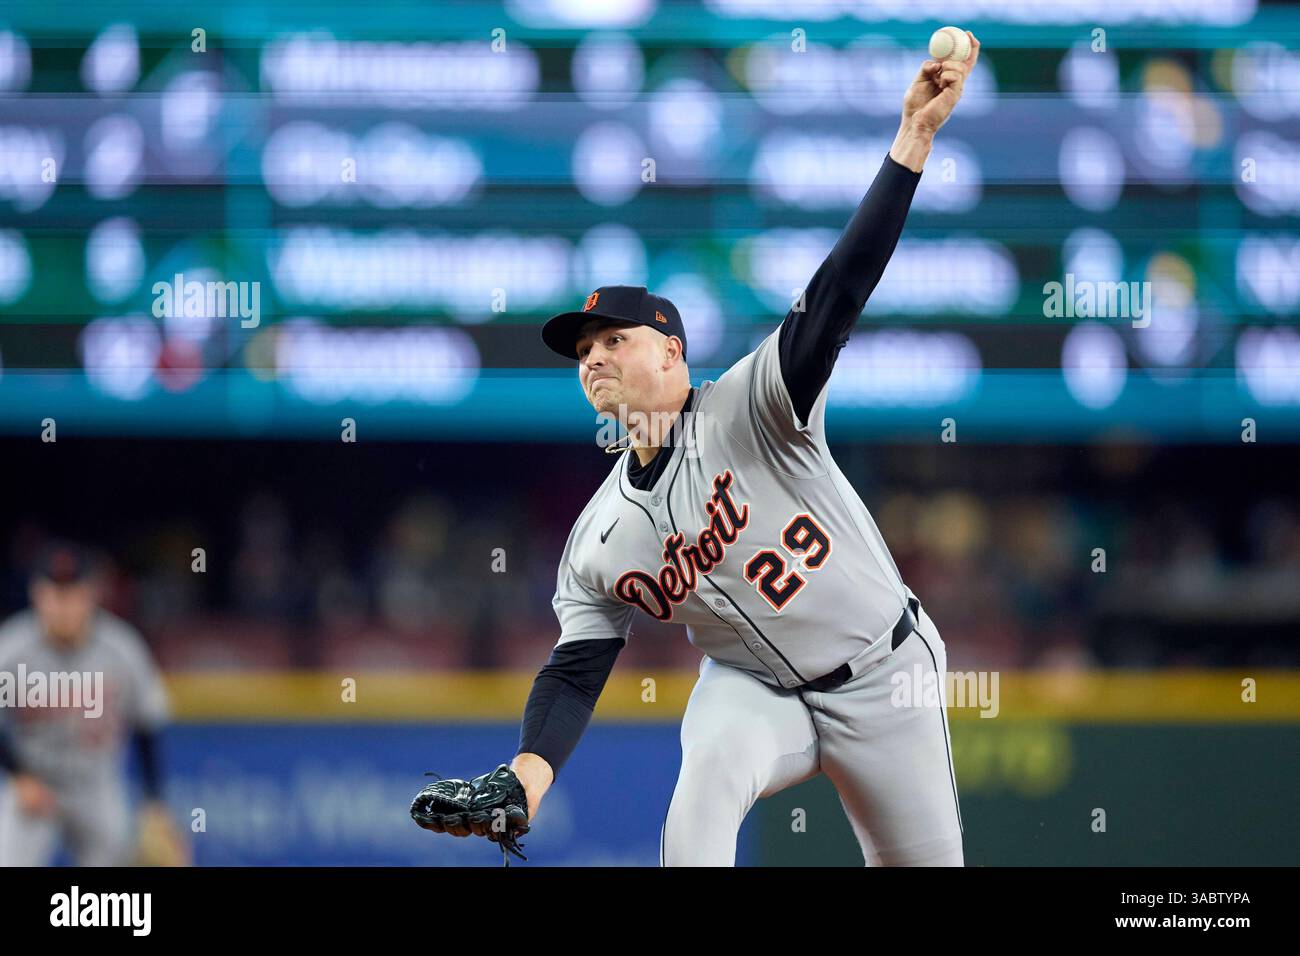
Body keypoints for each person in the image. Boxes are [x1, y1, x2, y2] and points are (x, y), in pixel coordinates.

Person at [0, 541, 187, 866]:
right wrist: (18, 774)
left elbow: (147, 724)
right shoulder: (12, 648)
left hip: (97, 785)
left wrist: (154, 803)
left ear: (91, 594)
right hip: (36, 782)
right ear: (37, 594)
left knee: (109, 899)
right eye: (55, 594)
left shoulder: (122, 649)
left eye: (73, 593)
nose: (64, 605)